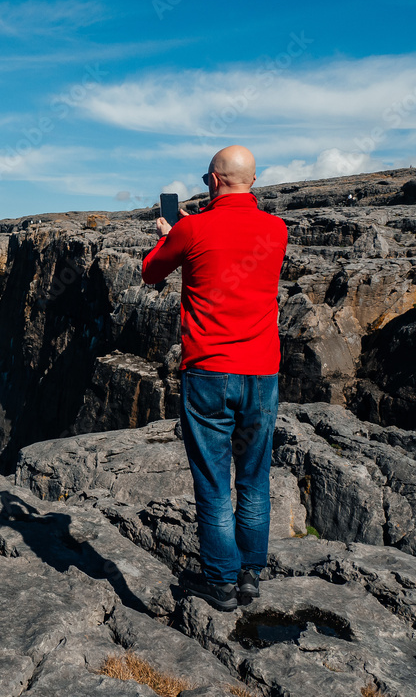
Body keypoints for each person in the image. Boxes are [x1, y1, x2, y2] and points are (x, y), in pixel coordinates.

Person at [141, 145, 288, 612]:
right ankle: (250, 577)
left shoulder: (190, 229)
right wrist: (191, 226)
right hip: (261, 372)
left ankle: (221, 583)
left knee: (213, 482)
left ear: (212, 180)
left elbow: (151, 273)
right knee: (254, 477)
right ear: (254, 180)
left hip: (208, 373)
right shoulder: (276, 229)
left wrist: (171, 234)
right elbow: (233, 243)